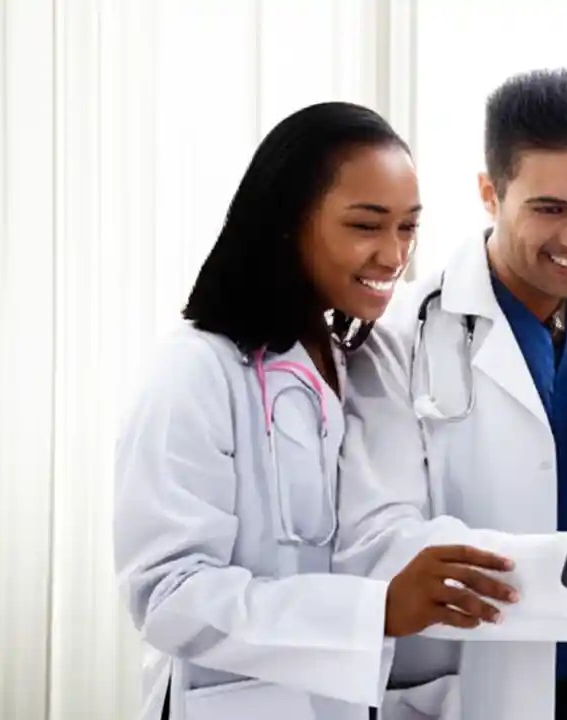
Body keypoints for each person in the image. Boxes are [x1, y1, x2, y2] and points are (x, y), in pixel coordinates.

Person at [113, 102, 516, 720]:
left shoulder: (360, 359)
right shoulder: (196, 372)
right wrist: (374, 611)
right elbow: (167, 595)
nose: (393, 255)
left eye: (408, 228)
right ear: (288, 221)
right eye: (366, 225)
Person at [334, 69, 567, 720]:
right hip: (470, 692)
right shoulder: (398, 339)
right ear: (489, 192)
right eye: (551, 209)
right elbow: (380, 545)